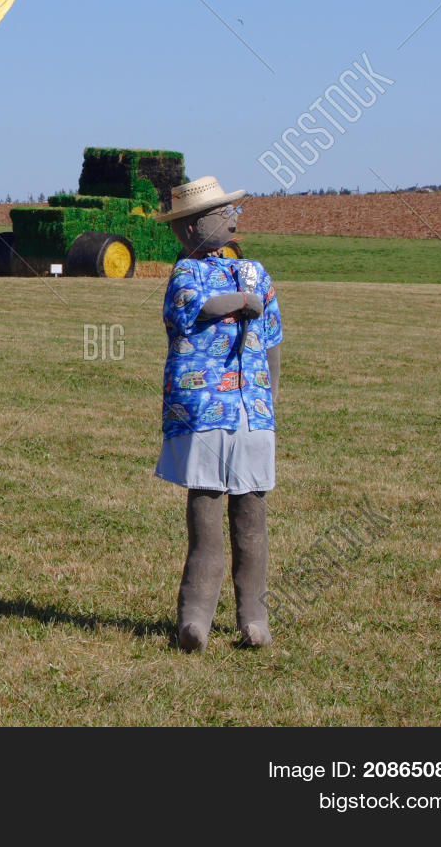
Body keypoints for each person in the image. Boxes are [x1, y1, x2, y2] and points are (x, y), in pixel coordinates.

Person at [153, 177, 282, 652]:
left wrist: (272, 399)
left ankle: (253, 616)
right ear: (189, 229)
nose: (232, 218)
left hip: (252, 410)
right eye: (218, 213)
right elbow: (200, 310)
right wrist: (241, 304)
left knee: (252, 516)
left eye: (233, 211)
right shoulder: (185, 274)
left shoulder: (255, 272)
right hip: (203, 411)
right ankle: (195, 618)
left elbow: (272, 340)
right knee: (205, 513)